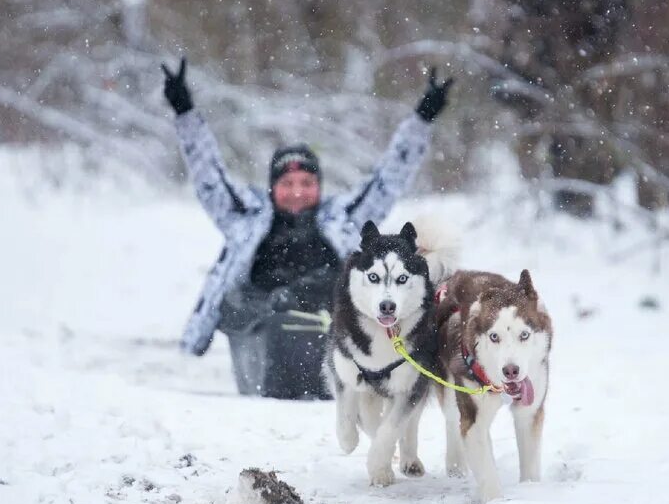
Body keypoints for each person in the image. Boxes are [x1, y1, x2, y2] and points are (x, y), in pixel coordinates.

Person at [161, 58, 453, 399]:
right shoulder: (245, 218)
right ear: (272, 188)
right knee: (260, 305)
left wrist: (421, 119)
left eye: (307, 182)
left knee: (341, 282)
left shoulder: (343, 218)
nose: (298, 191)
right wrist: (184, 113)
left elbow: (388, 179)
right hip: (264, 321)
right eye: (287, 183)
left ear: (319, 185)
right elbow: (209, 175)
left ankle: (337, 376)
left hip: (325, 319)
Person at [493, 0, 628, 217]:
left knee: (590, 155)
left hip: (587, 99)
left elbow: (611, 29)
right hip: (542, 99)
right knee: (549, 154)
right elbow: (508, 53)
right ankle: (559, 209)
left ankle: (585, 209)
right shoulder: (527, 2)